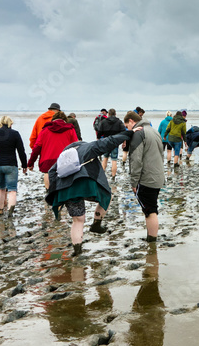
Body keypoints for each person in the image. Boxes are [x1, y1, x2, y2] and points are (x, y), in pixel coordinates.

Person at [46, 125, 138, 255]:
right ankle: (96, 223)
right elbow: (108, 142)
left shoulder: (62, 156)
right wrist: (128, 133)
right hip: (86, 185)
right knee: (107, 196)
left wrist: (53, 195)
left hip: (66, 190)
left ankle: (77, 251)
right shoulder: (87, 147)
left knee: (78, 220)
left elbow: (51, 172)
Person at [125, 111, 165, 242]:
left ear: (131, 121)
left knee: (150, 211)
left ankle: (152, 241)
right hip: (157, 176)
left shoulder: (139, 133)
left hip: (147, 178)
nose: (128, 130)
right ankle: (151, 238)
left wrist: (134, 182)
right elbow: (161, 154)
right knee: (151, 207)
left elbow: (136, 160)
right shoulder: (154, 131)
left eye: (127, 126)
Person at [27, 111, 79, 191]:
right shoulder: (70, 129)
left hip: (48, 160)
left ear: (53, 120)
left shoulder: (45, 130)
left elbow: (37, 147)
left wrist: (31, 163)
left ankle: (49, 192)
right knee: (66, 176)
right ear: (65, 120)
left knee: (47, 173)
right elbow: (75, 146)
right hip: (65, 160)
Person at [0, 115, 28, 217]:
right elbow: (21, 150)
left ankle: (0, 210)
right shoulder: (15, 133)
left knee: (1, 189)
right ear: (10, 123)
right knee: (12, 190)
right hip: (10, 164)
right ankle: (10, 211)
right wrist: (24, 165)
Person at [97, 109, 126, 178]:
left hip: (106, 142)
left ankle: (102, 175)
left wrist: (98, 139)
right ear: (115, 114)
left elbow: (99, 132)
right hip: (115, 143)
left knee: (105, 158)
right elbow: (124, 132)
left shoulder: (104, 122)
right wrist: (124, 142)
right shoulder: (119, 122)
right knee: (114, 160)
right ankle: (113, 176)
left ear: (108, 114)